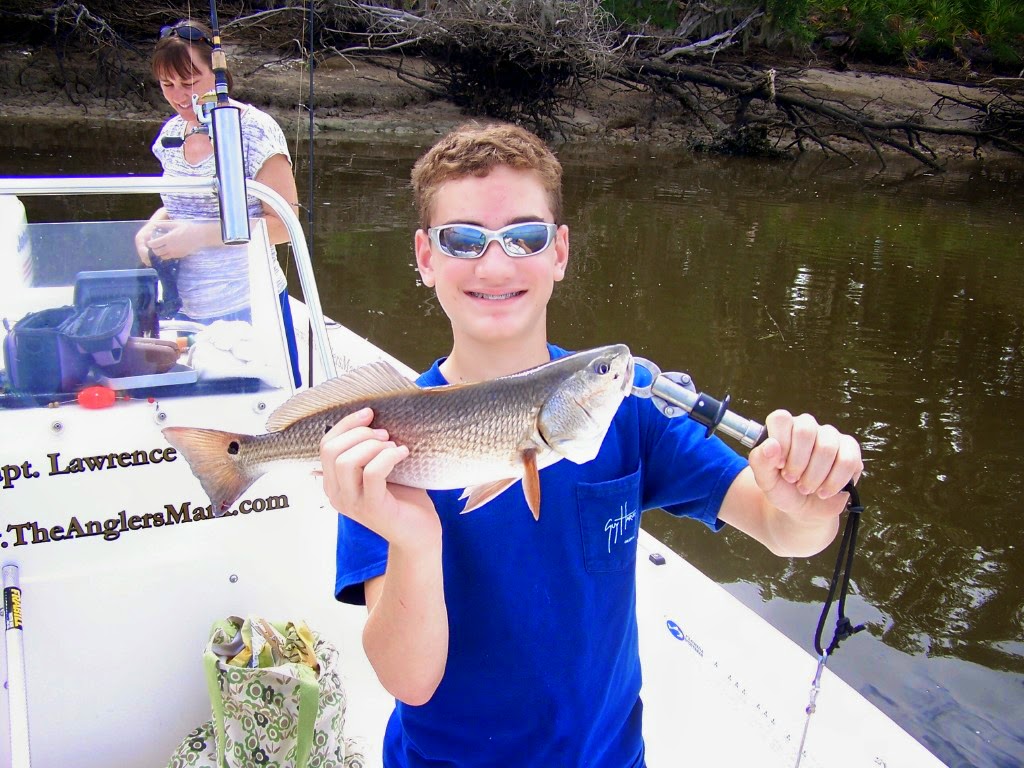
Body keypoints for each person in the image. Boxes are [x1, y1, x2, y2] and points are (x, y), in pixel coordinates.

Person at [320, 122, 863, 767]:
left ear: (560, 251)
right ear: (425, 256)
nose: (495, 265)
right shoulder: (383, 439)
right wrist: (412, 537)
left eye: (524, 236)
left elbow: (784, 529)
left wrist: (808, 497)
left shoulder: (628, 408)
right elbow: (409, 682)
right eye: (462, 239)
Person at [134, 20, 300, 383]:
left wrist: (197, 237)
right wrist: (152, 226)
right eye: (167, 84)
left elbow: (285, 224)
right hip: (185, 309)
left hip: (249, 308)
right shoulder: (171, 134)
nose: (179, 95)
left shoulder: (255, 130)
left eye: (190, 82)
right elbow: (179, 205)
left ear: (217, 74)